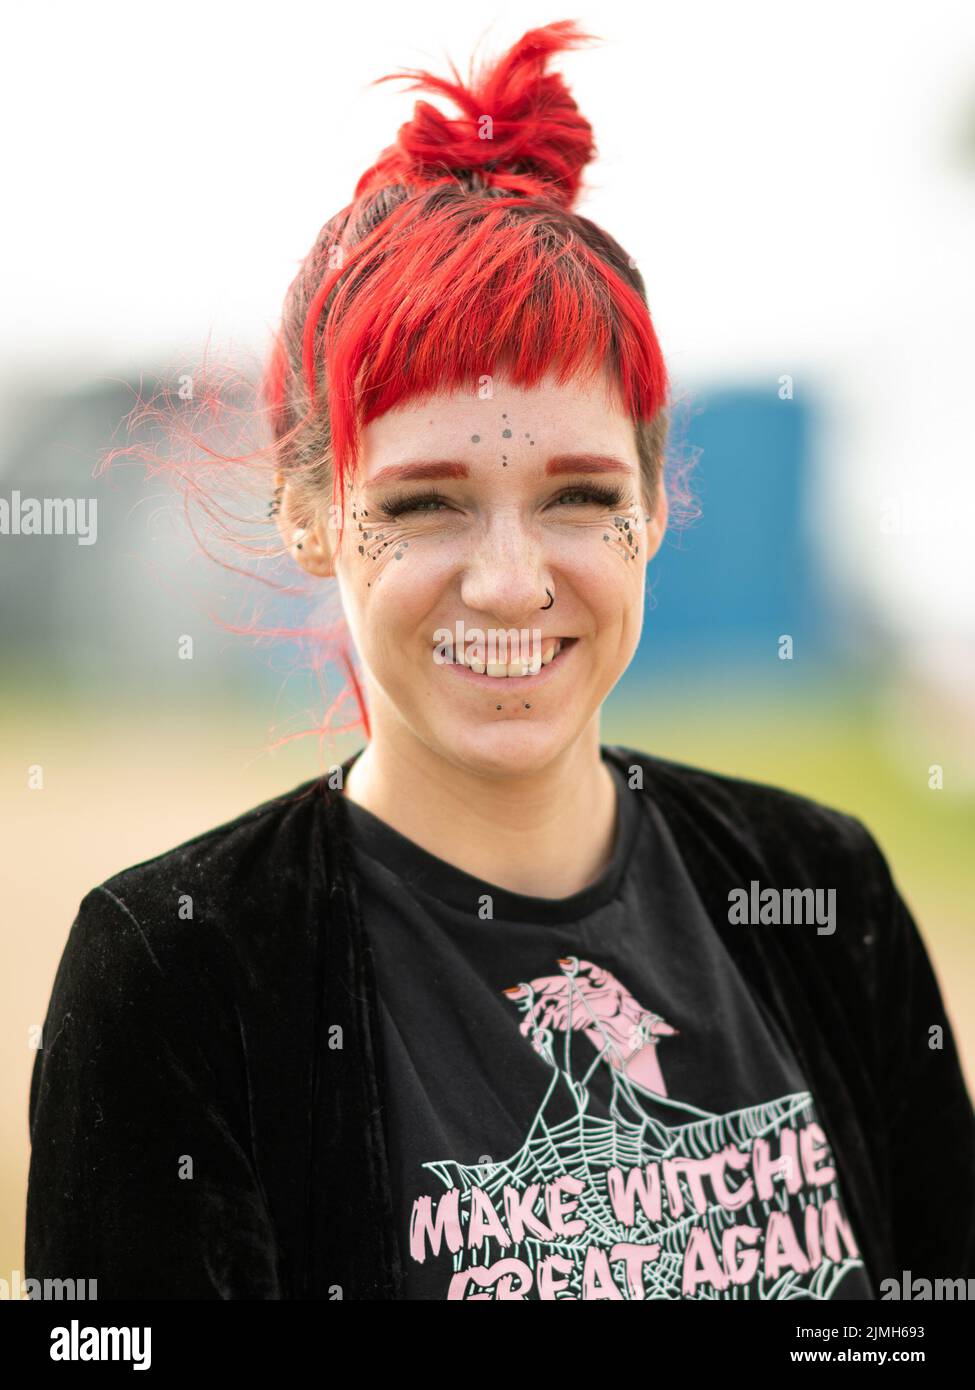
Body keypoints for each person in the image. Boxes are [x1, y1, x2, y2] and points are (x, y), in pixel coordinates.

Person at [25, 19, 975, 1301]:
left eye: (580, 495)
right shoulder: (181, 968)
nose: (515, 580)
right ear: (311, 513)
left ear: (653, 502)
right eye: (426, 503)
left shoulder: (821, 890)